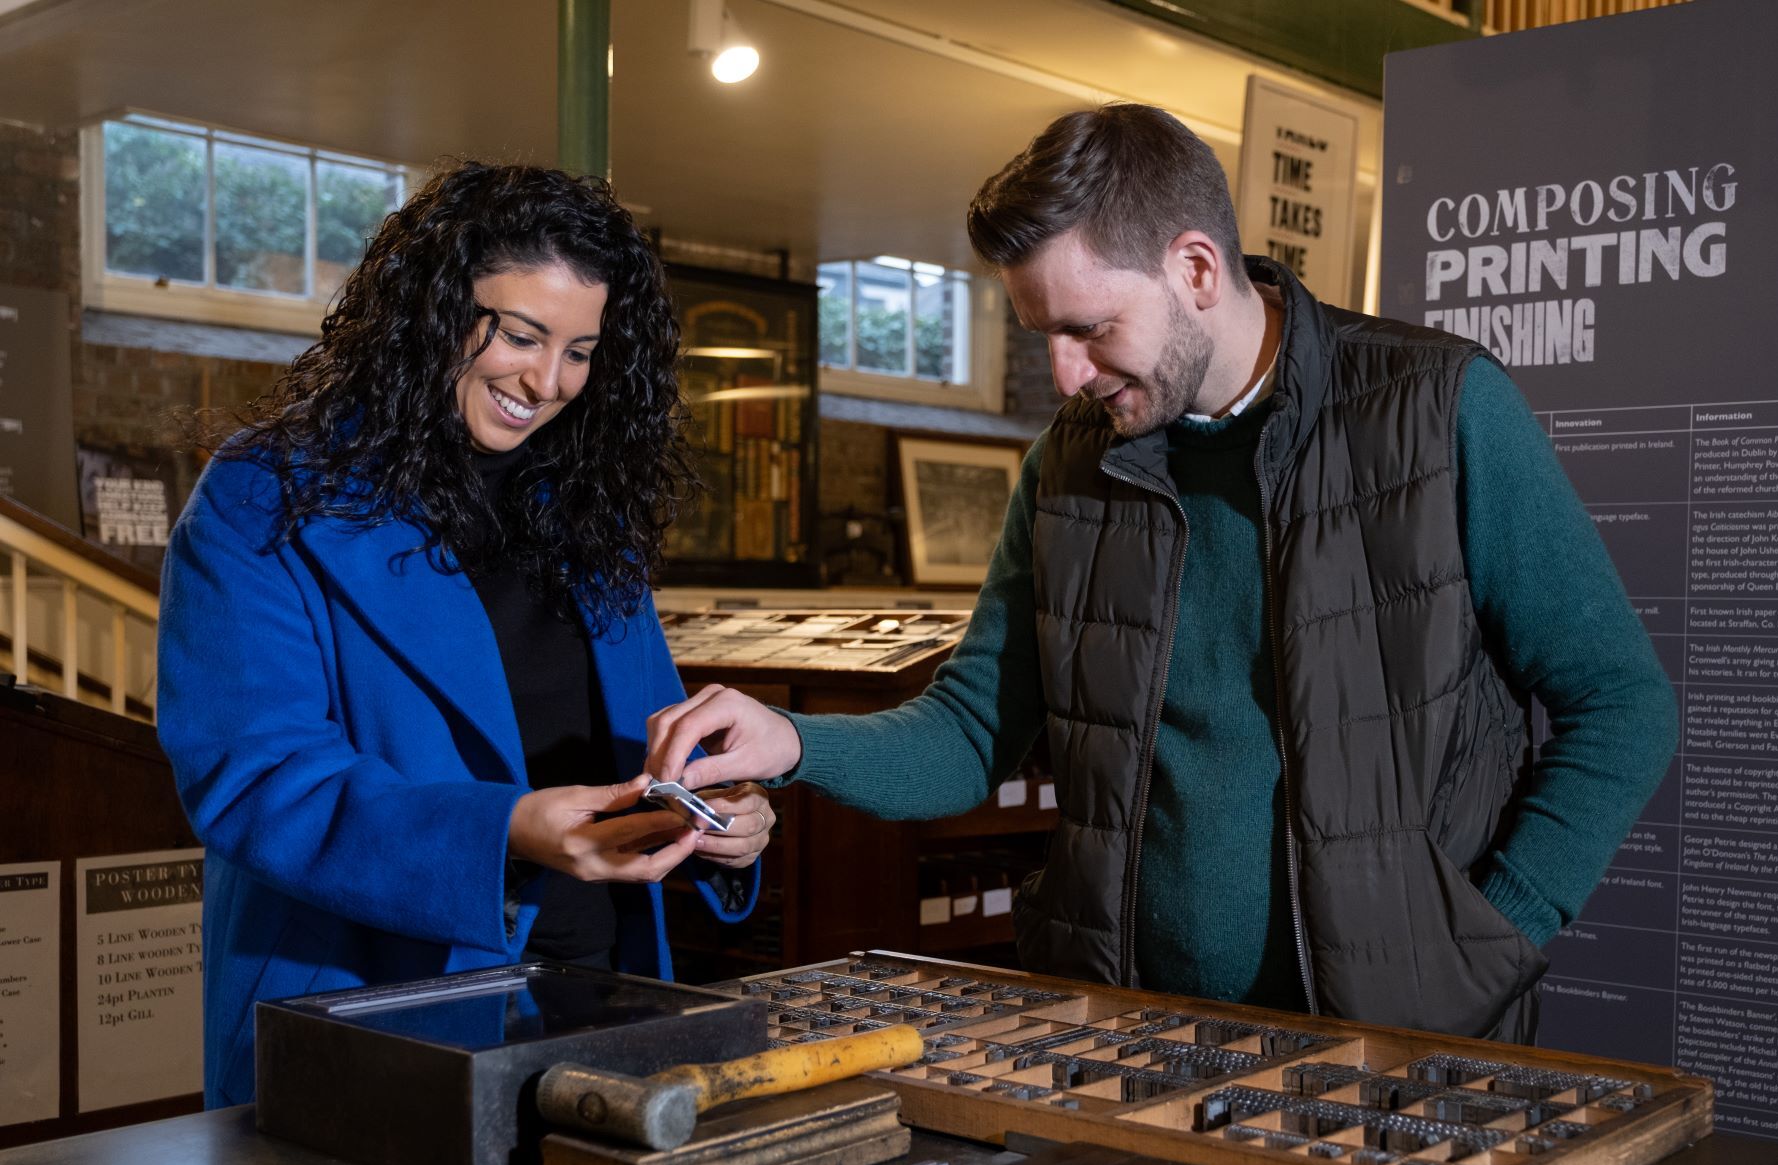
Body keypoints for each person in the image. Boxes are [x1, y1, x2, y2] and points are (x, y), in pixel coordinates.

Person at [647, 105, 1678, 1042]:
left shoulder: (1439, 409)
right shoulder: (1069, 460)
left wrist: (1485, 938)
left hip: (1402, 1046)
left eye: (1087, 329)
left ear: (1193, 269)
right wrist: (788, 741)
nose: (1065, 375)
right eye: (1044, 335)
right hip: (1127, 1031)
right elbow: (970, 730)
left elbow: (1621, 705)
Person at [158, 163, 774, 1107]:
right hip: (371, 1009)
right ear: (429, 313)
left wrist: (722, 812)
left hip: (602, 1000)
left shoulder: (586, 507)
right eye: (520, 335)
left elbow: (649, 744)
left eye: (580, 350)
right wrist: (505, 832)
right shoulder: (262, 496)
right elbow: (255, 778)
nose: (548, 380)